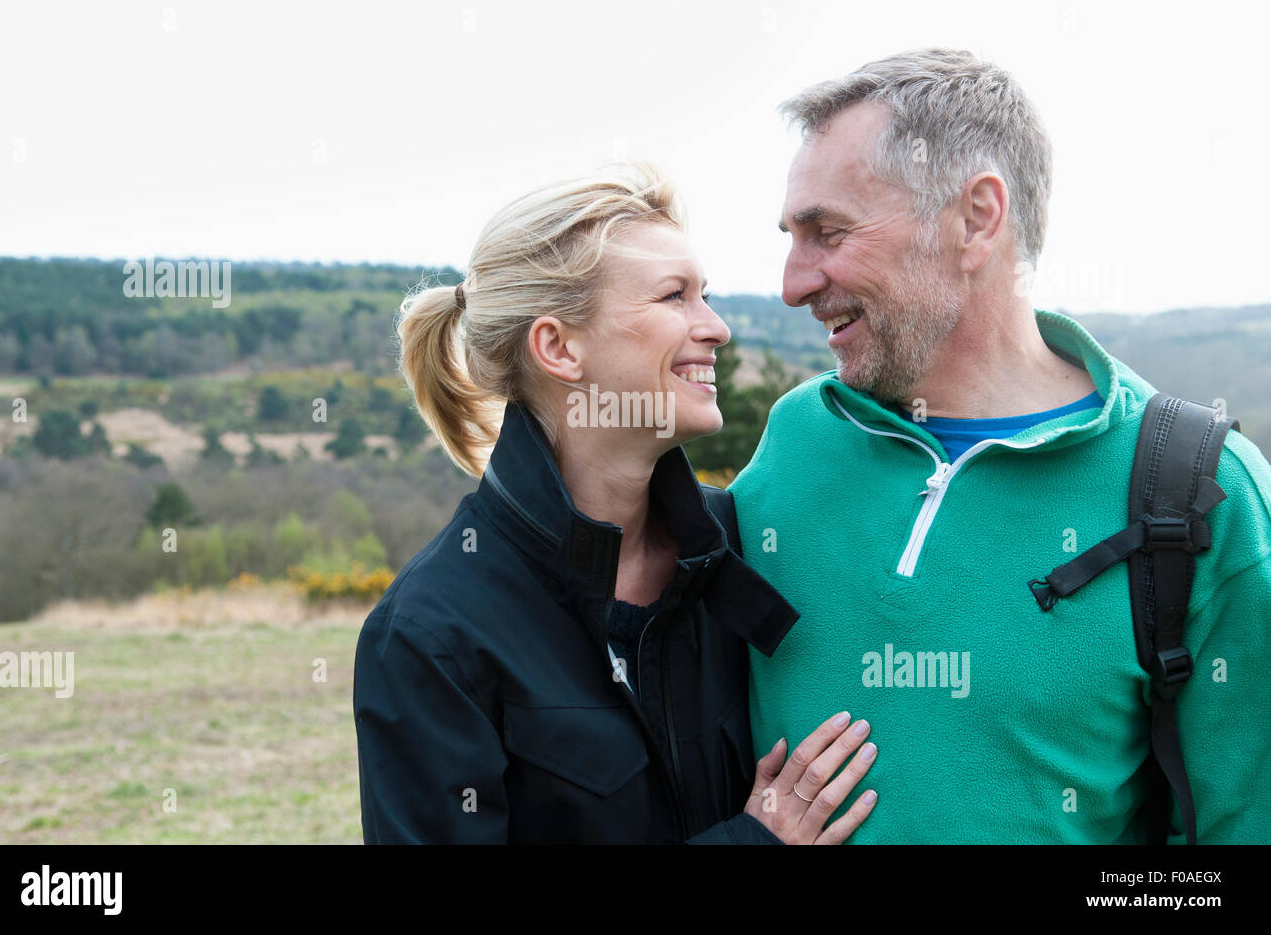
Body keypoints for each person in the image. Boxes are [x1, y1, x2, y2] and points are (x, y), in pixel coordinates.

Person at [731, 48, 1271, 843]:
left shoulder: (1200, 490)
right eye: (791, 235)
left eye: (828, 232)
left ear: (977, 217)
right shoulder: (794, 441)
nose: (792, 282)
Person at [352, 161, 881, 843]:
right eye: (673, 298)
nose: (716, 327)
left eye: (706, 294)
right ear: (558, 347)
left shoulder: (732, 547)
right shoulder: (430, 636)